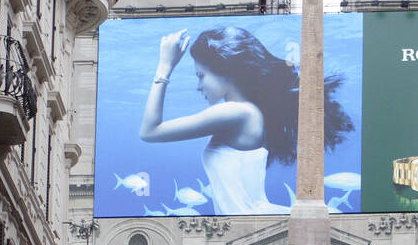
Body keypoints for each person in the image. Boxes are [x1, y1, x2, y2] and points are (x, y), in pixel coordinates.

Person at [138, 26, 354, 217]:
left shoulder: (236, 113)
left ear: (225, 71)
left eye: (200, 75)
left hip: (247, 226)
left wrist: (165, 67)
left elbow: (150, 132)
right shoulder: (249, 112)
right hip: (246, 223)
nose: (198, 86)